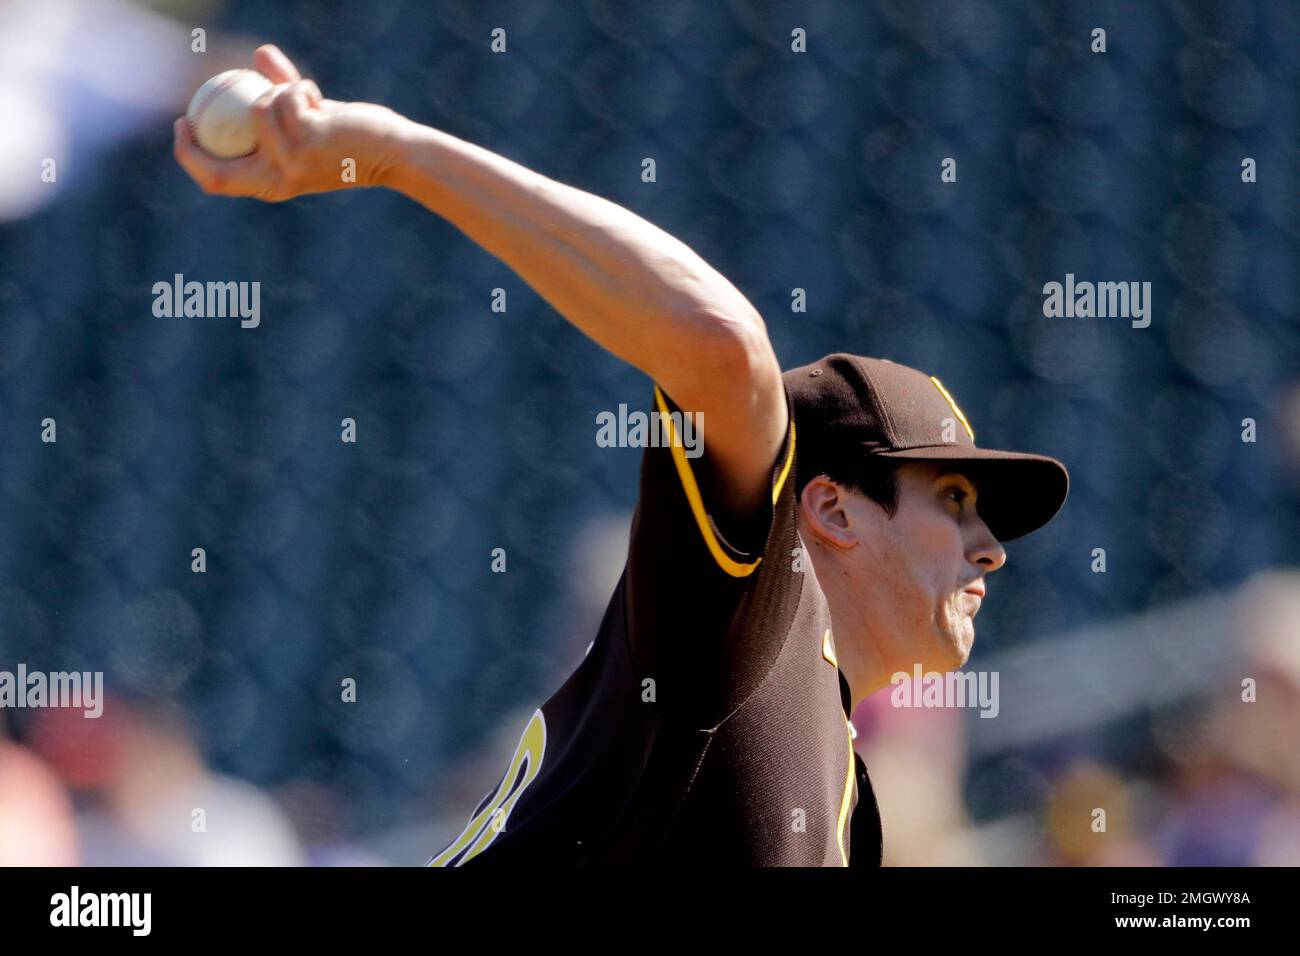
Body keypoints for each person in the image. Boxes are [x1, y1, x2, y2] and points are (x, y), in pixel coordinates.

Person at [174, 45, 1069, 866]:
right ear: (830, 509)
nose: (990, 545)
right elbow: (721, 344)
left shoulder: (831, 776)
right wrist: (395, 154)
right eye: (952, 499)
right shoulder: (755, 635)